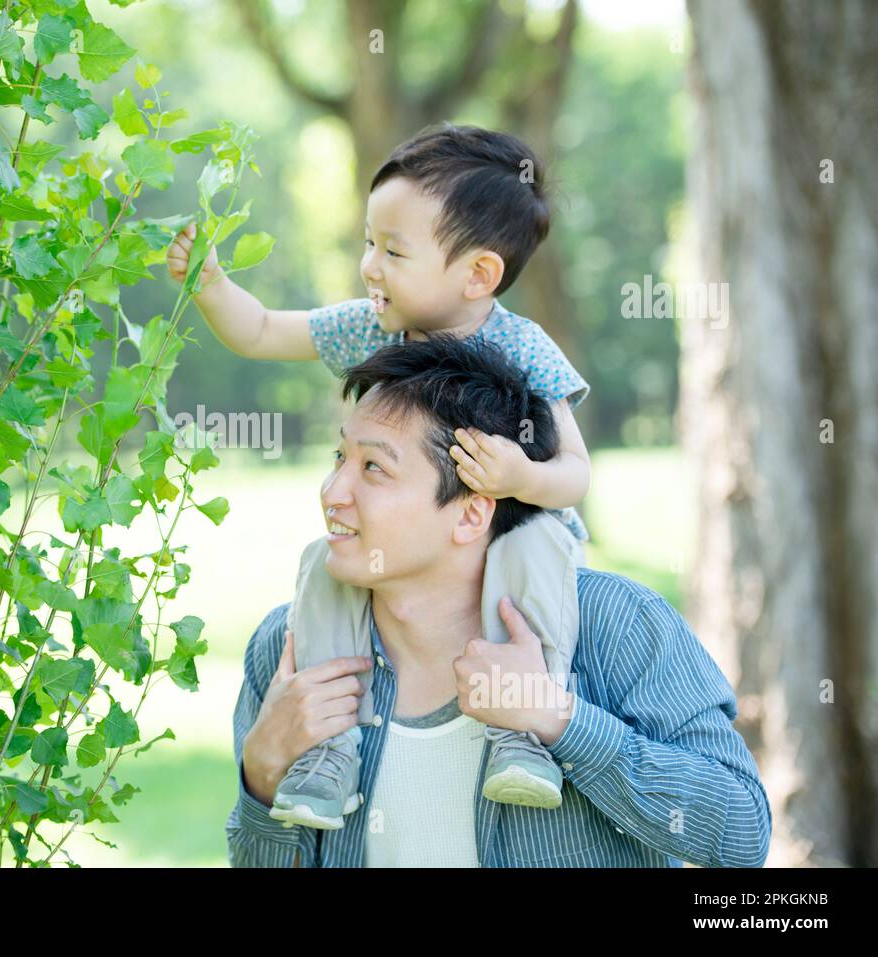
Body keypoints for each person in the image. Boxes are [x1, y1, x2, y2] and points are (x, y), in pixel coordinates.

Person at [168, 123, 590, 825]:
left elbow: (574, 471)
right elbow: (266, 330)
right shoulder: (373, 327)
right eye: (370, 241)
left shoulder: (520, 346)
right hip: (406, 546)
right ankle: (328, 750)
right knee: (326, 569)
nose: (370, 265)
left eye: (393, 250)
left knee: (536, 552)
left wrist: (521, 473)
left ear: (478, 273)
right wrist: (213, 287)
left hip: (512, 528)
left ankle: (520, 733)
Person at [223, 333, 771, 866]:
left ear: (470, 513)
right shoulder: (290, 648)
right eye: (338, 456)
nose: (332, 491)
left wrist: (559, 719)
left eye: (373, 468)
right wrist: (263, 774)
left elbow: (742, 832)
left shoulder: (613, 624)